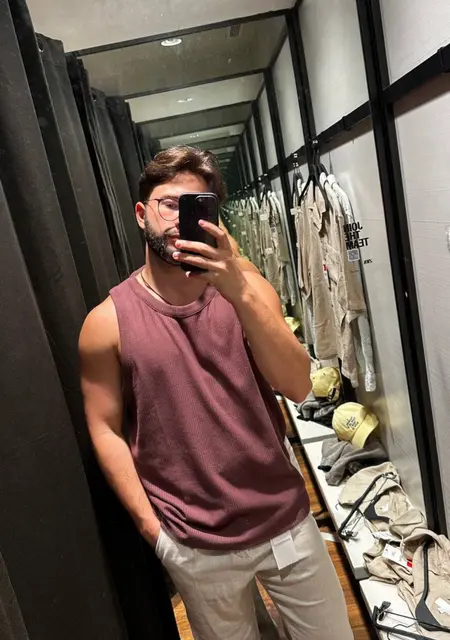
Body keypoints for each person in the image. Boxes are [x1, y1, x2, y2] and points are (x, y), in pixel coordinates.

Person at [79, 146, 353, 640]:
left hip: (285, 521)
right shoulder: (106, 323)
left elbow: (296, 385)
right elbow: (104, 428)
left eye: (196, 205)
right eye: (169, 204)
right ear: (141, 214)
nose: (178, 218)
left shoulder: (248, 288)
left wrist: (239, 289)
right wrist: (154, 532)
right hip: (194, 541)